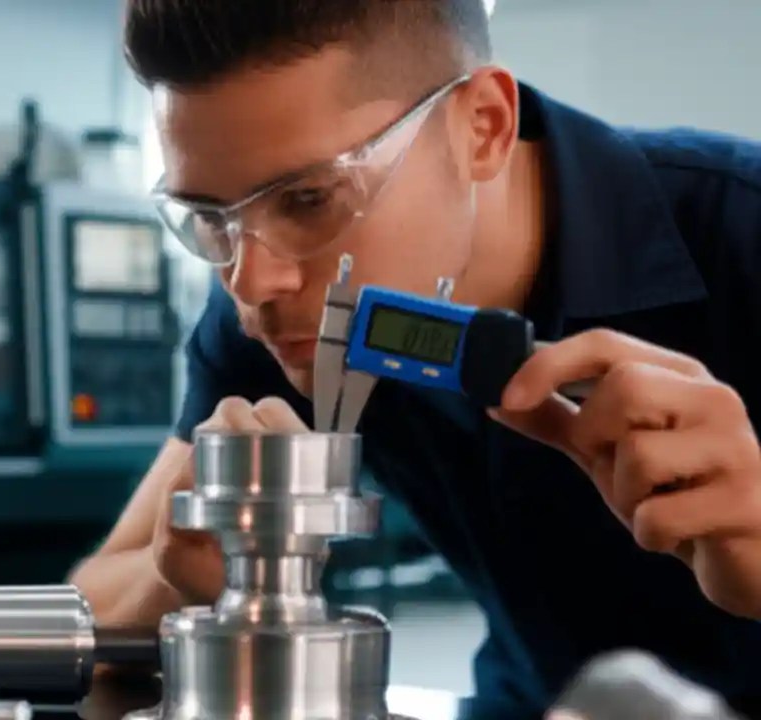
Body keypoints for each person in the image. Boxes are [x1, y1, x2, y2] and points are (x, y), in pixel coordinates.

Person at [68, 1, 761, 717]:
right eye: (211, 218)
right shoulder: (274, 305)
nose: (252, 284)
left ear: (482, 126)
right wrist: (187, 572)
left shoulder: (741, 230)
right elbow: (95, 606)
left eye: (309, 198)